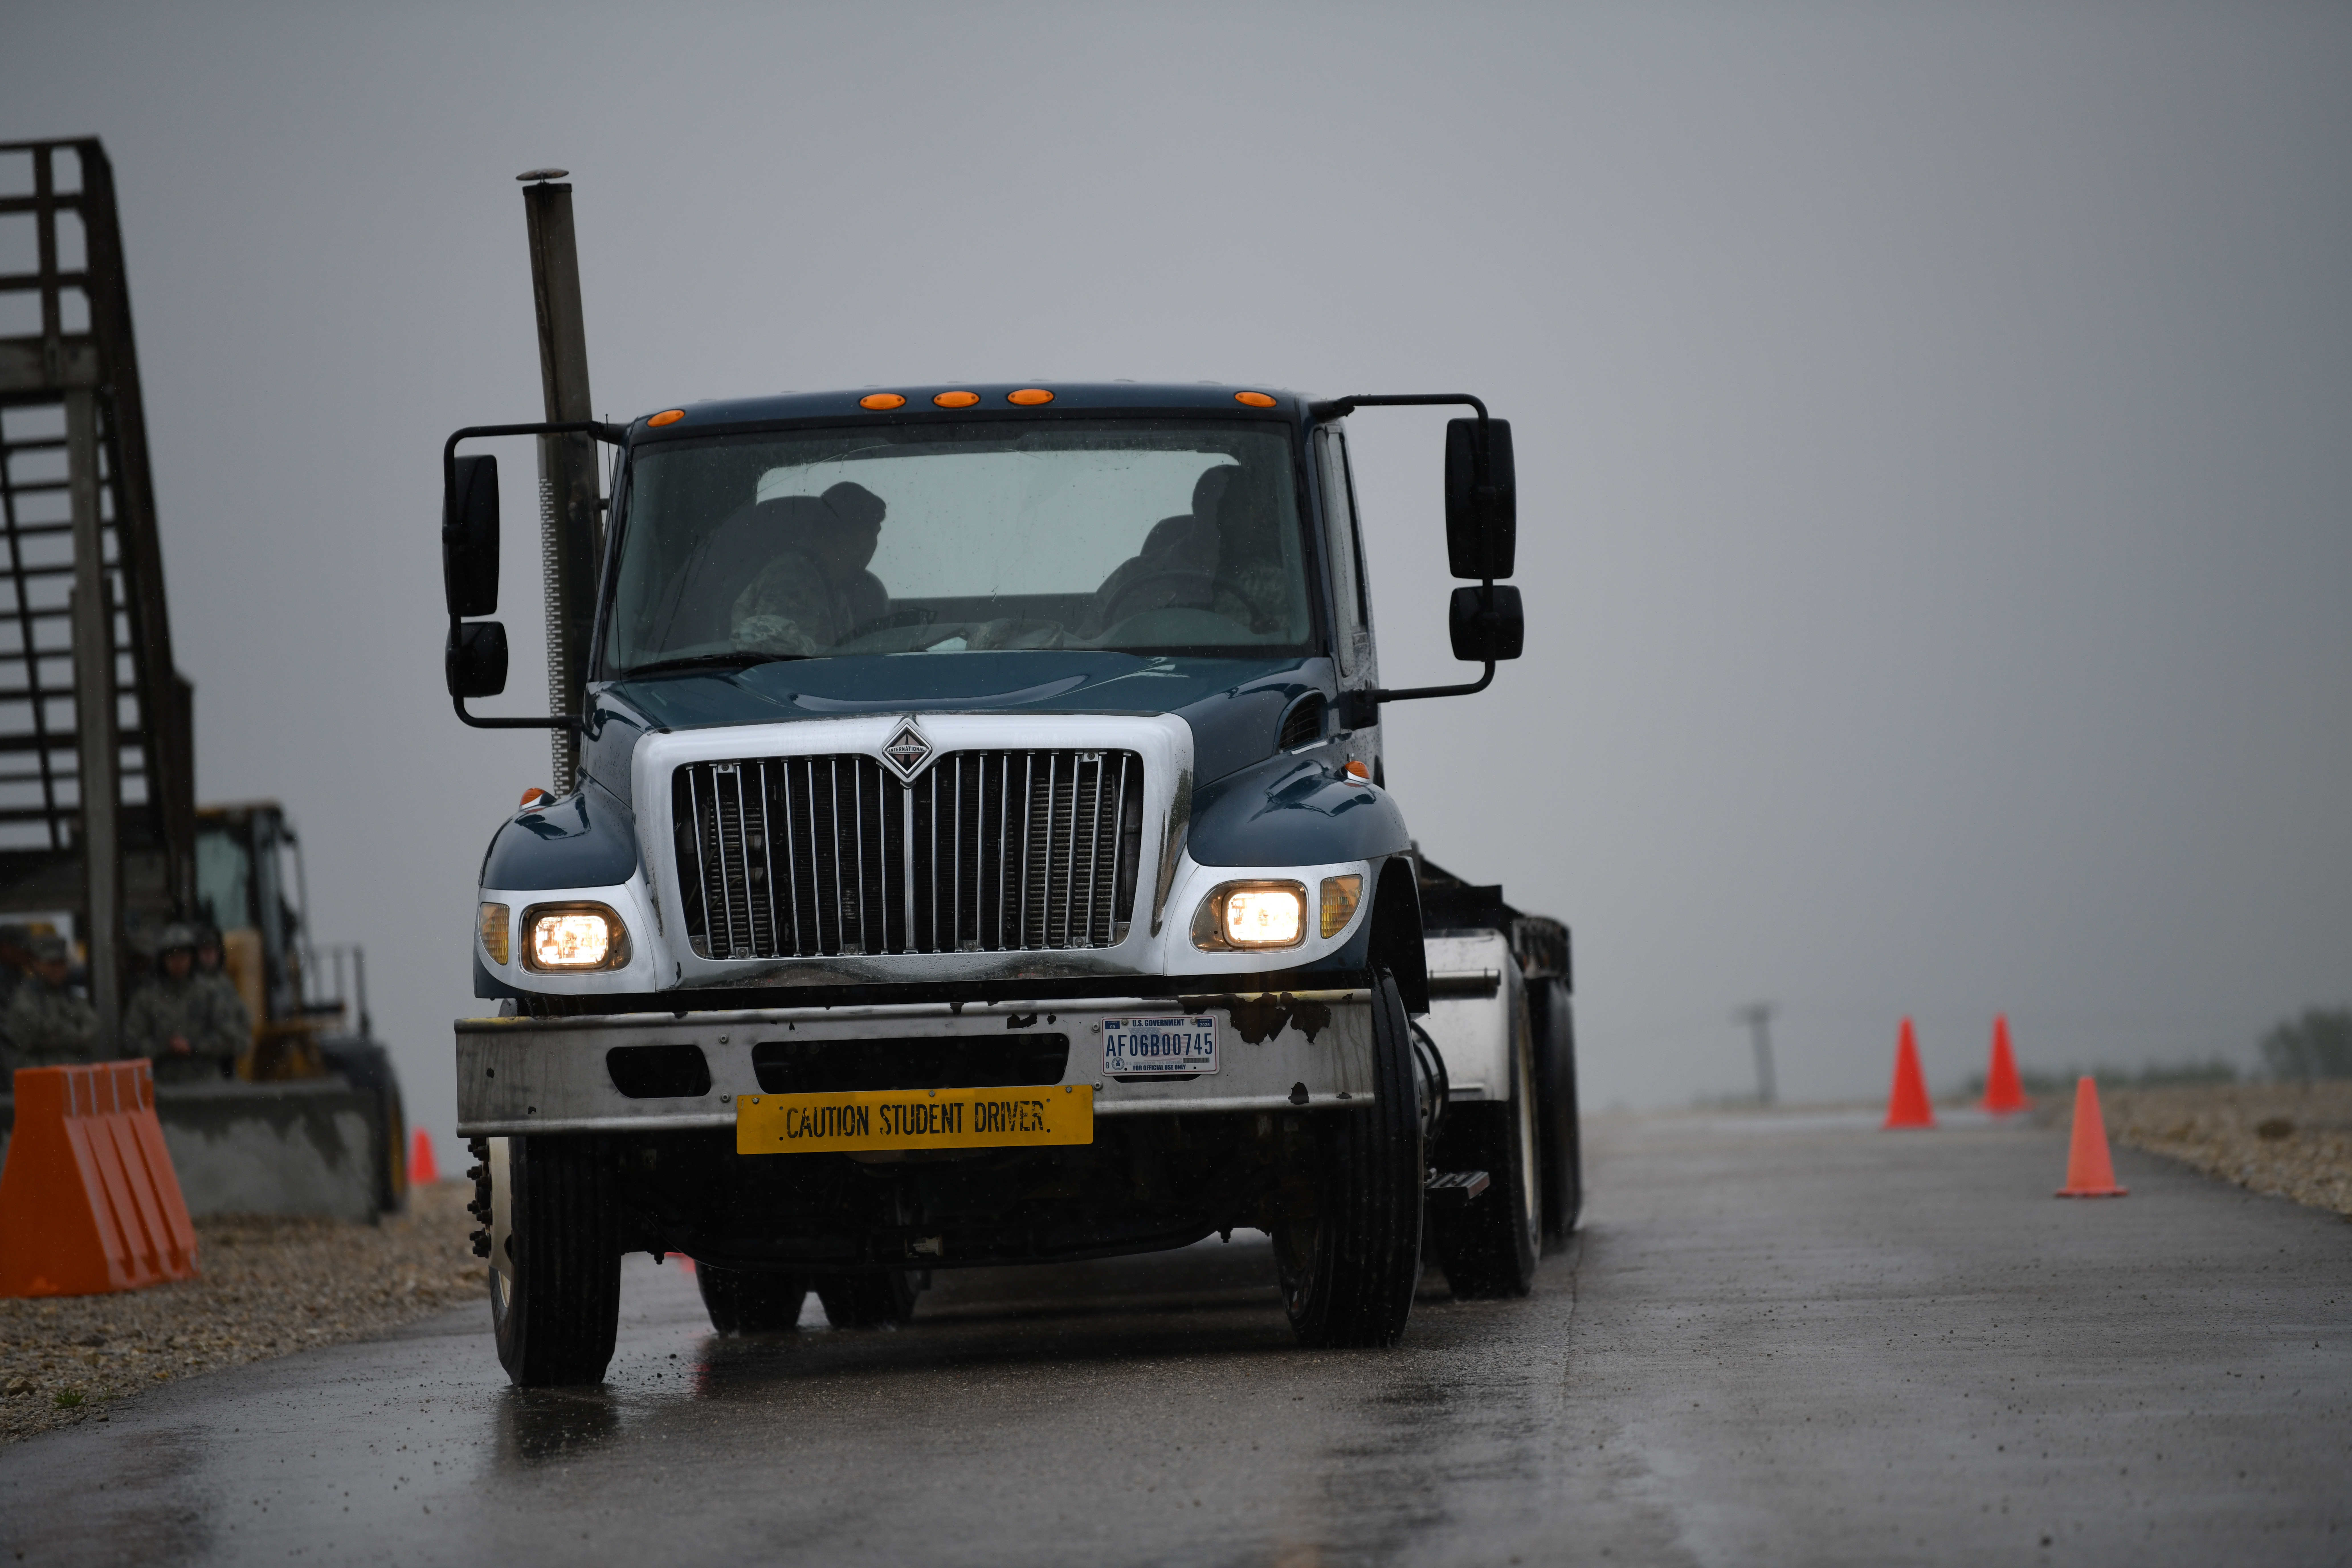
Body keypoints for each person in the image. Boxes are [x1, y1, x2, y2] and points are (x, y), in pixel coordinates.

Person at [1089, 463, 1297, 637]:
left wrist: (1263, 642)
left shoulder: (1273, 586)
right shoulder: (1131, 578)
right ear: (1200, 509)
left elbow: (1289, 659)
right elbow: (1090, 646)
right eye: (1222, 510)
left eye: (1247, 511)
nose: (1229, 522)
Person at [724, 481, 891, 655]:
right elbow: (784, 662)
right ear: (853, 539)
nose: (874, 545)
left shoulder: (826, 581)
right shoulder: (793, 581)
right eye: (872, 534)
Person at [125, 923, 247, 1083]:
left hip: (206, 1083)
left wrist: (194, 1046)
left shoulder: (210, 993)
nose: (178, 963)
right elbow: (131, 1043)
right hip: (163, 1085)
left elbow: (233, 1039)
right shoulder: (147, 998)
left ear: (192, 958)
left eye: (183, 956)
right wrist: (165, 1047)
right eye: (172, 957)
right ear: (163, 960)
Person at [2, 934, 99, 1070]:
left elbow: (92, 1029)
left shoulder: (70, 996)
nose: (58, 969)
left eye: (62, 964)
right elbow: (33, 1034)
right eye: (52, 964)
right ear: (36, 964)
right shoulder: (26, 996)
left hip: (72, 1073)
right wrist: (72, 1034)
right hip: (38, 1075)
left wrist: (59, 1034)